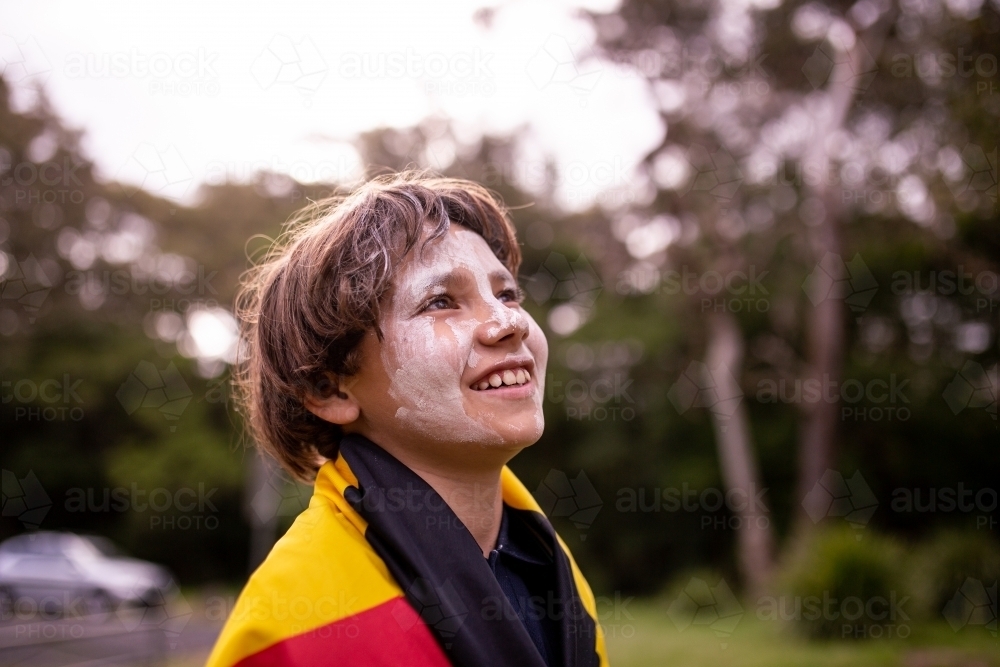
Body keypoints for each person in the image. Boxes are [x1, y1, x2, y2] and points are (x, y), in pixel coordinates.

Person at [206, 173, 608, 667]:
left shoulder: (554, 571)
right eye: (441, 301)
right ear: (328, 388)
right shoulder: (292, 632)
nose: (510, 323)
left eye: (507, 294)